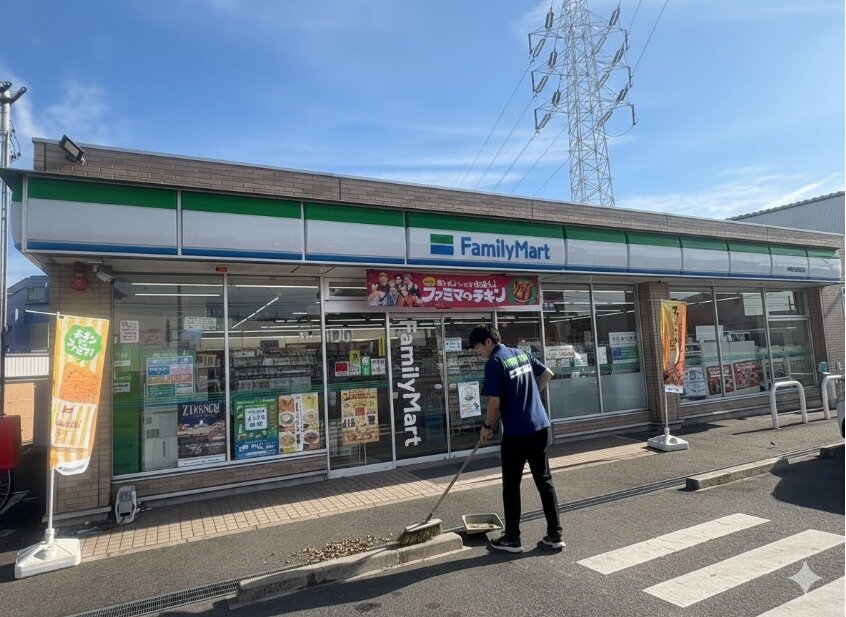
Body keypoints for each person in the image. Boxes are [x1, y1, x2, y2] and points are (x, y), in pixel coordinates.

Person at [469, 323, 564, 553]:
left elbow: (494, 403)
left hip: (517, 433)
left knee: (511, 485)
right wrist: (531, 397)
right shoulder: (521, 354)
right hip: (540, 426)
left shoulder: (495, 362)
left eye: (477, 347)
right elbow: (547, 374)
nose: (477, 352)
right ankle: (555, 535)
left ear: (489, 342)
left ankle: (512, 539)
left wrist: (486, 427)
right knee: (544, 480)